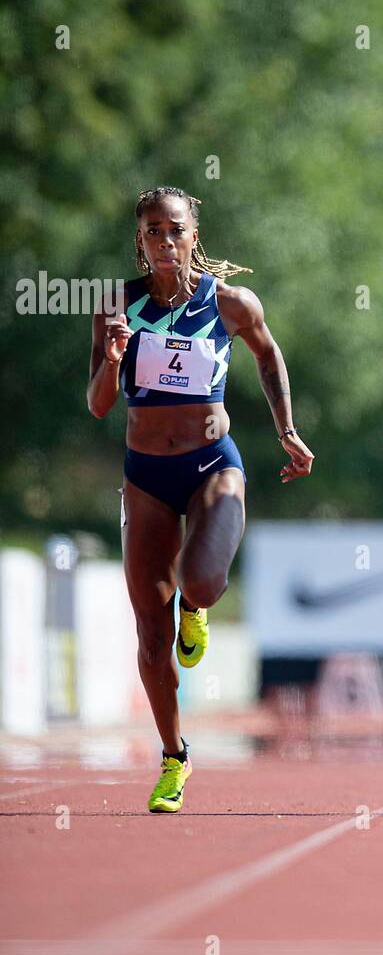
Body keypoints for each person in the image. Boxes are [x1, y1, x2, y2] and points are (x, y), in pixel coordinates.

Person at [88, 186, 314, 812]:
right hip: (145, 476)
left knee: (204, 580)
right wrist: (112, 360)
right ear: (141, 240)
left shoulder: (231, 303)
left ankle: (199, 606)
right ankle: (173, 757)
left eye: (175, 230)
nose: (165, 242)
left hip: (214, 462)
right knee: (152, 639)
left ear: (195, 236)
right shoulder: (117, 305)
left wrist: (286, 430)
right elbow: (100, 404)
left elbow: (270, 356)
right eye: (153, 231)